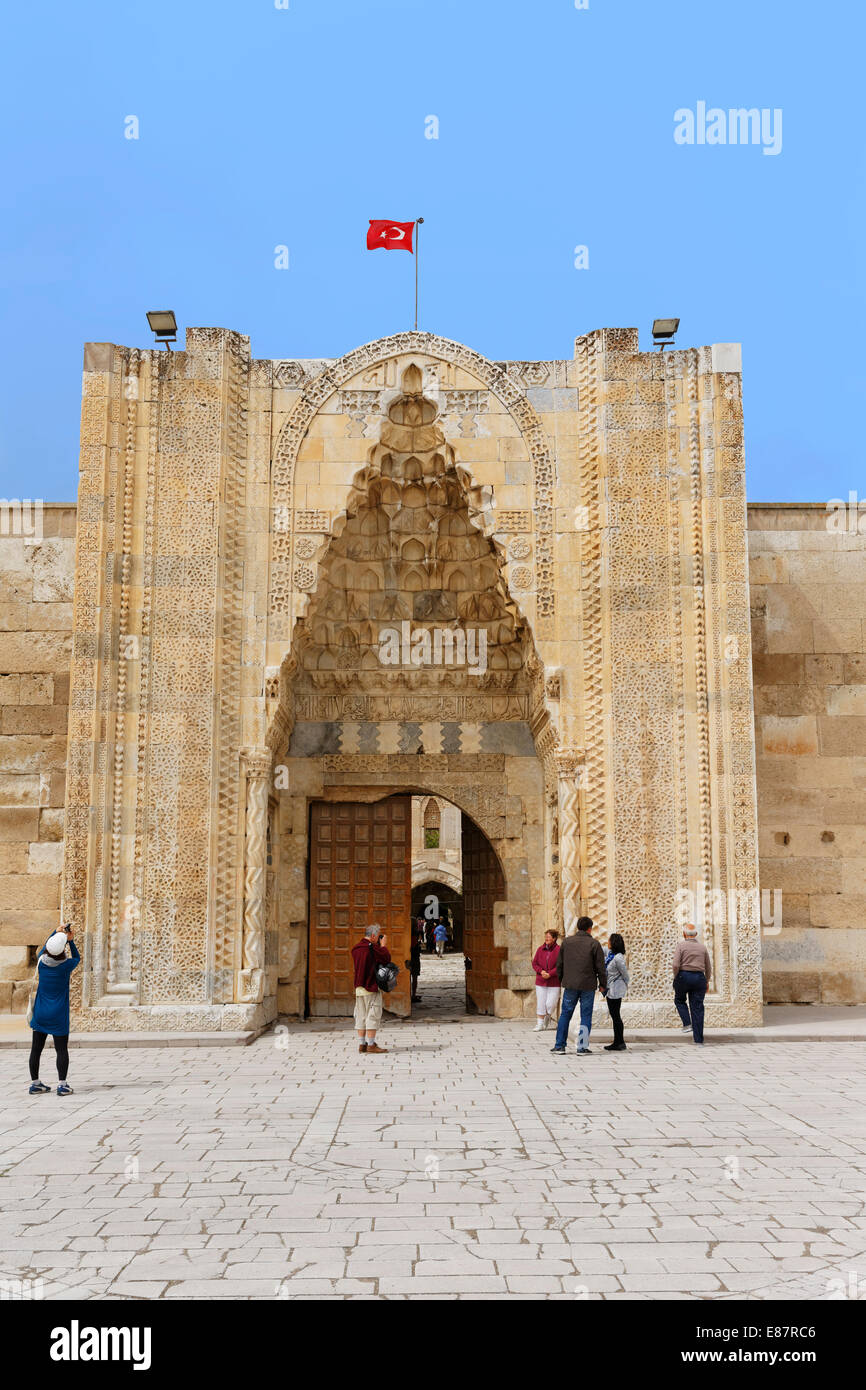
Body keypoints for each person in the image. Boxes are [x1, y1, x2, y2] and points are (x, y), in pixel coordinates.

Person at [28, 924, 80, 1096]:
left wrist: (56, 932)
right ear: (62, 949)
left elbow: (46, 947)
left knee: (36, 1049)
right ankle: (62, 1085)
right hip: (58, 1014)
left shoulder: (41, 962)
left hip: (41, 1013)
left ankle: (35, 1084)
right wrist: (70, 941)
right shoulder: (66, 965)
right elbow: (77, 957)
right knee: (61, 1049)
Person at [551, 916, 607, 1056]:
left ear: (578, 927)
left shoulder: (567, 942)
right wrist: (603, 984)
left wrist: (563, 980)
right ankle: (582, 1047)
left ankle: (559, 1046)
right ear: (589, 928)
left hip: (570, 984)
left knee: (565, 1014)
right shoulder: (594, 944)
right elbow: (601, 967)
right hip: (588, 985)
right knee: (586, 1016)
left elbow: (559, 964)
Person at [351, 924, 391, 1055]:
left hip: (359, 988)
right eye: (378, 936)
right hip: (371, 987)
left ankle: (362, 1044)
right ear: (373, 936)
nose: (378, 939)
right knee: (372, 1016)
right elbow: (386, 958)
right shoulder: (372, 948)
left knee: (361, 1016)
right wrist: (383, 945)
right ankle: (371, 1045)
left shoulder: (356, 948)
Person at [672, 923, 712, 1045]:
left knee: (679, 1000)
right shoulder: (702, 948)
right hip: (699, 978)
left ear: (684, 934)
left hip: (683, 976)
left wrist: (676, 977)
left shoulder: (680, 946)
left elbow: (675, 964)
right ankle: (698, 1040)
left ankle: (687, 1023)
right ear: (696, 934)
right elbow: (708, 967)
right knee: (698, 1008)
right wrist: (707, 980)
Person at [603, 932, 630, 1051]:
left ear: (613, 942)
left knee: (616, 1016)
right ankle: (617, 1041)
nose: (607, 942)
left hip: (616, 990)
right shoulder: (610, 954)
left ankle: (620, 1042)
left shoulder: (618, 957)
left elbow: (625, 974)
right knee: (614, 1015)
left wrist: (625, 984)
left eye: (609, 940)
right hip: (610, 989)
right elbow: (600, 948)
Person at [531, 929, 561, 1031]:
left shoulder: (559, 950)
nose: (546, 939)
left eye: (549, 937)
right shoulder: (540, 949)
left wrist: (550, 974)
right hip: (541, 981)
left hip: (554, 982)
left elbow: (560, 965)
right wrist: (541, 971)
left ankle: (548, 1015)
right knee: (541, 1002)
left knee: (550, 1004)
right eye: (546, 937)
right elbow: (534, 963)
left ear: (554, 938)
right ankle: (539, 1024)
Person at [406, 918, 422, 1002]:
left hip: (407, 957)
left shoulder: (405, 932)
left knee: (407, 977)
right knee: (414, 977)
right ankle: (413, 995)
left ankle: (408, 995)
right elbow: (413, 944)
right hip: (414, 957)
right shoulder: (415, 933)